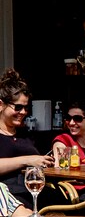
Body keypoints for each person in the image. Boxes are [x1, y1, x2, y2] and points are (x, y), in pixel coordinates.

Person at [0, 70, 54, 208]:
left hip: (37, 191)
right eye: (18, 107)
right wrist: (27, 160)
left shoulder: (25, 133)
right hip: (10, 196)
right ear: (1, 105)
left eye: (25, 107)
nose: (23, 112)